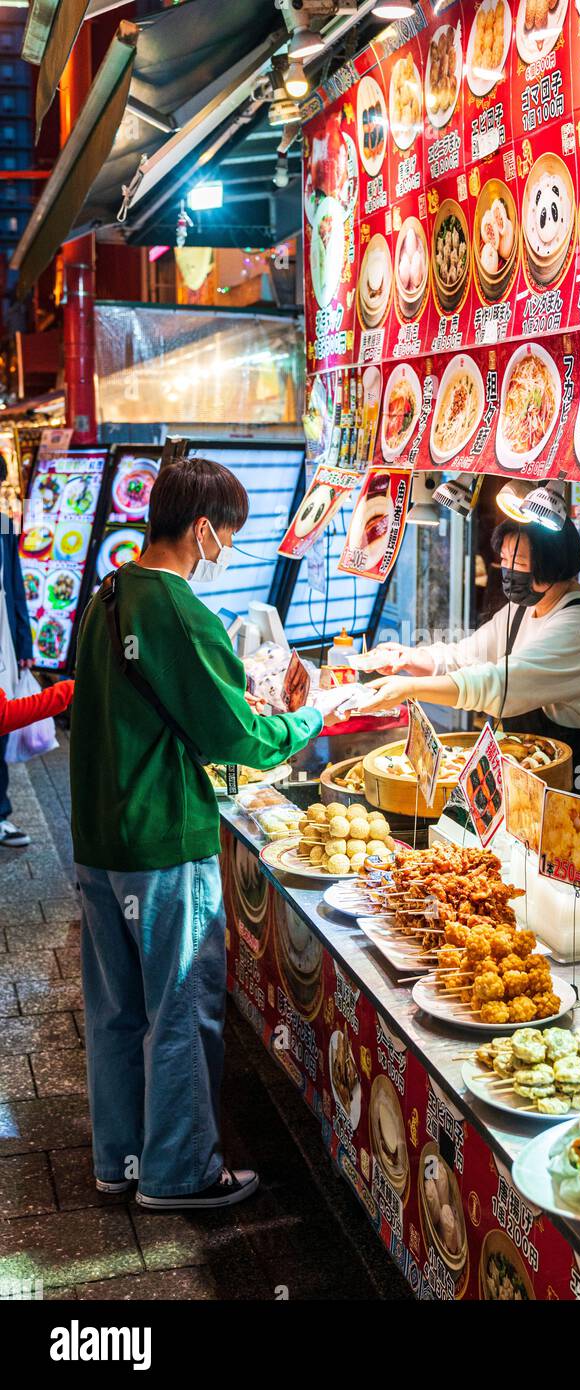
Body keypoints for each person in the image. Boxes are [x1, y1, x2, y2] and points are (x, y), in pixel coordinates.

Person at [70, 457, 337, 1211]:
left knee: (118, 1011)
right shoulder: (177, 608)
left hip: (100, 838)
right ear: (201, 530)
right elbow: (239, 734)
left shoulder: (109, 591)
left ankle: (119, 1158)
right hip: (160, 841)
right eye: (228, 533)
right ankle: (181, 1173)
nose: (226, 548)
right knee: (181, 1009)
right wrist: (317, 716)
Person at [358, 518, 580, 804]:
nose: (508, 571)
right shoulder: (523, 609)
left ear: (552, 564)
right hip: (536, 783)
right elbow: (465, 657)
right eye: (504, 559)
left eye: (520, 562)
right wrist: (409, 658)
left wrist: (409, 689)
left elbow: (498, 685)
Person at [0, 460, 37, 847]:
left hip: (4, 644)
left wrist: (24, 643)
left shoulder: (4, 526)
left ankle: (0, 814)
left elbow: (15, 583)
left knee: (1, 725)